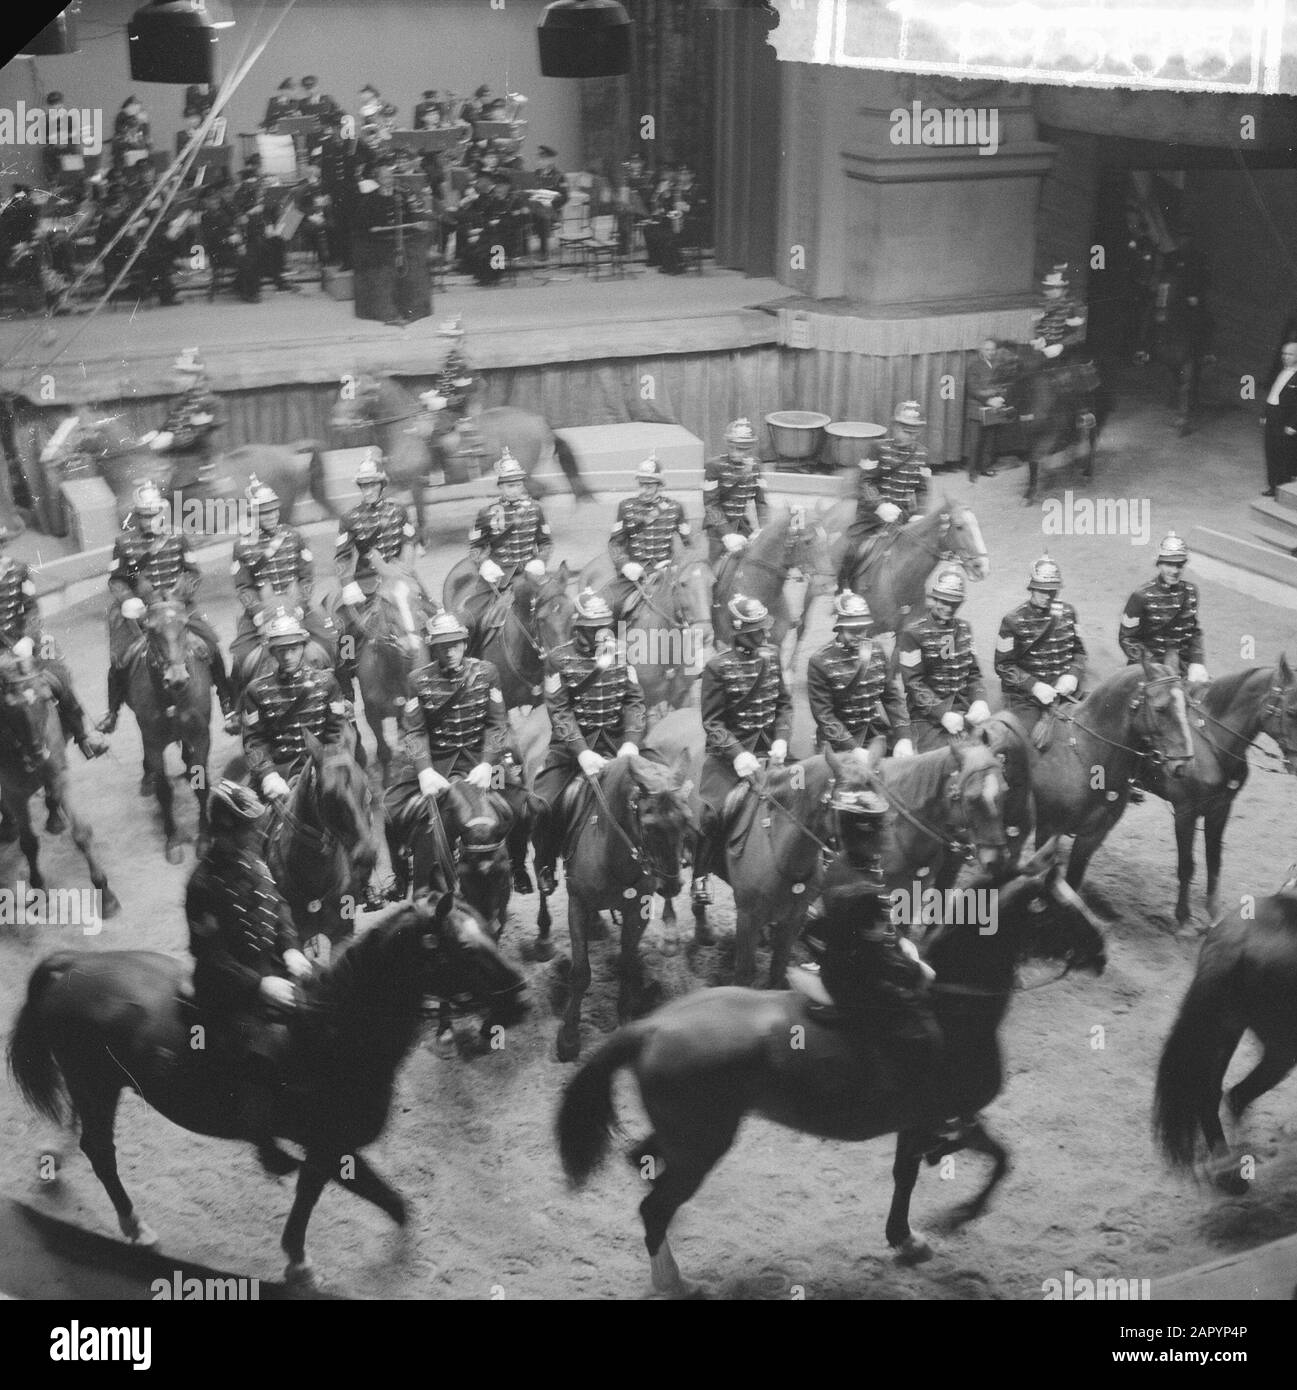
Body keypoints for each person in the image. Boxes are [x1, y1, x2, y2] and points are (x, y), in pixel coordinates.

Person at [185, 778, 312, 1174]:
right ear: (226, 828)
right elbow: (211, 956)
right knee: (263, 1052)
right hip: (228, 988)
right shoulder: (202, 885)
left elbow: (281, 907)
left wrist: (291, 947)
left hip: (270, 967)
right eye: (246, 826)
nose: (255, 831)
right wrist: (260, 986)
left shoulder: (254, 859)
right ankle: (263, 1142)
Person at [813, 785, 944, 1112]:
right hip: (855, 977)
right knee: (919, 1030)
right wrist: (915, 970)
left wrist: (902, 942)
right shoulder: (861, 884)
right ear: (865, 832)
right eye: (883, 826)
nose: (889, 833)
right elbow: (875, 958)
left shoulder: (854, 864)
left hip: (850, 960)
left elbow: (880, 931)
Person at [390, 611, 529, 890]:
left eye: (455, 644)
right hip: (439, 764)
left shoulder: (487, 672)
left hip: (482, 762)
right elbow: (415, 730)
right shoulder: (418, 680)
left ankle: (518, 866)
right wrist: (425, 771)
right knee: (391, 811)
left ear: (464, 644)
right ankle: (402, 876)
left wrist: (488, 763)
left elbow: (497, 722)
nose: (450, 651)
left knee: (521, 805)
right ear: (434, 648)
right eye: (443, 646)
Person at [98, 481, 236, 736]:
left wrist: (179, 596)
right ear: (137, 516)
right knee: (121, 658)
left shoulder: (177, 537)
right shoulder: (124, 543)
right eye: (143, 516)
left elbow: (193, 573)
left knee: (211, 646)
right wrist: (128, 598)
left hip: (178, 608)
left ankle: (227, 704)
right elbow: (116, 579)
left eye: (153, 515)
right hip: (142, 611)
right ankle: (112, 711)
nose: (149, 521)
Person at [532, 590, 647, 895]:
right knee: (541, 806)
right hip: (571, 752)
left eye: (605, 627)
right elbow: (560, 711)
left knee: (662, 790)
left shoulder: (622, 655)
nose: (601, 634)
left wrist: (630, 743)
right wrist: (582, 753)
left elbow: (634, 701)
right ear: (579, 629)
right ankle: (545, 864)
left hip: (615, 744)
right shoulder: (558, 660)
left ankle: (665, 860)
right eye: (594, 628)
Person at [693, 594, 792, 904]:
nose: (766, 634)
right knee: (710, 815)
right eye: (759, 629)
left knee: (812, 793)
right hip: (730, 759)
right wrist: (738, 754)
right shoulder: (717, 667)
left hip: (771, 752)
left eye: (765, 628)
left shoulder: (772, 656)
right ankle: (700, 877)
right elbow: (713, 723)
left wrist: (781, 738)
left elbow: (784, 703)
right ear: (740, 631)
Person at [230, 478, 335, 677]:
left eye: (273, 510)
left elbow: (306, 577)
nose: (271, 516)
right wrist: (257, 611)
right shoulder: (242, 546)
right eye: (264, 512)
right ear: (254, 514)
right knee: (240, 656)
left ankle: (344, 690)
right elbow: (243, 587)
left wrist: (300, 606)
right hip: (261, 609)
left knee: (331, 637)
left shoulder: (294, 536)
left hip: (296, 604)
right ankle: (235, 703)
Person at [240, 612, 349, 802]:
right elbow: (253, 741)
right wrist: (267, 774)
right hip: (279, 770)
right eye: (281, 650)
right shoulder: (255, 691)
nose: (288, 656)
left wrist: (331, 762)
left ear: (303, 647)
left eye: (294, 648)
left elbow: (337, 730)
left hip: (323, 765)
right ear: (272, 652)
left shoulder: (327, 683)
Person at [333, 450, 417, 698]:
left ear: (382, 485)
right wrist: (348, 584)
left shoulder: (399, 511)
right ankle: (346, 668)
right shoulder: (350, 518)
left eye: (372, 485)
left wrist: (406, 569)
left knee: (431, 611)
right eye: (363, 485)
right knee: (345, 629)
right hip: (367, 581)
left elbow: (409, 541)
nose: (367, 490)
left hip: (400, 576)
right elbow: (342, 556)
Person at [462, 451, 552, 652]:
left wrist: (540, 560)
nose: (515, 489)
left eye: (519, 484)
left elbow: (545, 542)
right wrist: (484, 564)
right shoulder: (486, 513)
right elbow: (475, 547)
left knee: (558, 609)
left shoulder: (536, 509)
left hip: (530, 576)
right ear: (501, 486)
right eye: (510, 485)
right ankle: (473, 656)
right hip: (499, 578)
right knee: (473, 617)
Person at [837, 400, 931, 592]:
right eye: (905, 430)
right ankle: (843, 590)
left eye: (915, 431)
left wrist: (919, 512)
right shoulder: (877, 448)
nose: (910, 436)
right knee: (852, 549)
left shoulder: (922, 453)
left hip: (902, 516)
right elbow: (865, 482)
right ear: (895, 427)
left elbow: (922, 488)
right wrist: (880, 506)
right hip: (872, 515)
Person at [895, 568, 990, 752]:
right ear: (934, 599)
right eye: (944, 602)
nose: (948, 608)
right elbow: (914, 684)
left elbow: (973, 674)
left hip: (964, 710)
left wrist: (980, 700)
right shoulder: (912, 633)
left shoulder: (964, 628)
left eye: (954, 603)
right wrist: (942, 713)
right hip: (928, 717)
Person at [807, 591, 912, 755]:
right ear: (840, 628)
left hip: (878, 735)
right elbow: (824, 715)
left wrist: (904, 737)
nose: (858, 636)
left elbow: (892, 697)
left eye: (862, 630)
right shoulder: (820, 661)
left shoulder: (875, 650)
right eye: (852, 630)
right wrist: (853, 749)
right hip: (840, 742)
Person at [993, 556, 1086, 734]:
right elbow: (1003, 666)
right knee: (1023, 743)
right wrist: (1034, 685)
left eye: (1052, 591)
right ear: (1032, 588)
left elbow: (1079, 652)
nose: (1047, 596)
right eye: (1042, 591)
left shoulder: (1068, 612)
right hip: (1029, 699)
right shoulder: (1012, 620)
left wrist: (1073, 675)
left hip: (1066, 693)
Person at [604, 453, 692, 622]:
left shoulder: (674, 508)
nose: (644, 490)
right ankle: (613, 645)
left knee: (693, 605)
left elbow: (689, 546)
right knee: (608, 605)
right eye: (641, 485)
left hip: (665, 572)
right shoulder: (626, 507)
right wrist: (625, 565)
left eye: (649, 486)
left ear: (660, 486)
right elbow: (615, 543)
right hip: (635, 574)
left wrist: (676, 565)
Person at [1118, 532, 1207, 682]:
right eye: (1169, 564)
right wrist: (1151, 665)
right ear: (1159, 564)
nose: (1174, 571)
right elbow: (1127, 638)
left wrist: (1197, 662)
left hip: (1182, 668)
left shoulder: (1191, 592)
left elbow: (1193, 631)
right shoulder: (1141, 596)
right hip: (1148, 669)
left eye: (1179, 565)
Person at [141, 350, 225, 487]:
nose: (181, 379)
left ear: (199, 377)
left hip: (201, 457)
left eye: (186, 375)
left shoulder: (209, 402)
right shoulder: (183, 401)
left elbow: (197, 435)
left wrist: (170, 440)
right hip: (178, 455)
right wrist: (155, 433)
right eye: (180, 375)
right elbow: (170, 424)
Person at [702, 418, 769, 566]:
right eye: (734, 447)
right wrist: (727, 533)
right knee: (713, 572)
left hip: (741, 525)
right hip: (718, 528)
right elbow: (711, 504)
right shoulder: (714, 466)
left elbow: (761, 502)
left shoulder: (756, 466)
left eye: (743, 448)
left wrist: (763, 529)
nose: (738, 452)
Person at [963, 337, 1011, 480]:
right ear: (981, 351)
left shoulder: (999, 365)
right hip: (977, 409)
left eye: (992, 350)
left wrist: (1001, 398)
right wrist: (989, 399)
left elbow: (1003, 384)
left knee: (990, 441)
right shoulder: (974, 366)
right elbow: (973, 389)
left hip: (993, 409)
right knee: (975, 442)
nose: (990, 352)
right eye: (987, 349)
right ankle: (972, 472)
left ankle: (985, 467)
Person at [1261, 340, 1297, 498]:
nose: (1285, 357)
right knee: (1270, 453)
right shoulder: (1281, 371)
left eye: (1290, 354)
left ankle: (1282, 491)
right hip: (1272, 417)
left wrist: (1293, 425)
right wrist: (1264, 413)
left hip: (1285, 422)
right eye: (1284, 354)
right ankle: (1273, 486)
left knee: (1283, 456)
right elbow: (1273, 392)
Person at [528, 144, 569, 261]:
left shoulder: (559, 176)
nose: (540, 161)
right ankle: (522, 250)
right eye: (539, 159)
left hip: (552, 211)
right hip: (535, 208)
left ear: (550, 160)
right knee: (521, 214)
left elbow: (565, 197)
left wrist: (550, 204)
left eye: (543, 159)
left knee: (541, 217)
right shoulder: (535, 174)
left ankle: (544, 251)